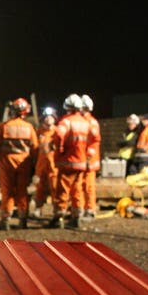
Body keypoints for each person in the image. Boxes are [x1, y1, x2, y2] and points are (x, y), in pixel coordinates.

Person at [49, 93, 100, 228]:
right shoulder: (86, 122)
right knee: (78, 189)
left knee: (63, 189)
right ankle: (76, 217)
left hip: (67, 161)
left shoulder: (66, 121)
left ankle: (59, 217)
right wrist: (88, 154)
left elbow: (59, 135)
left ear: (68, 107)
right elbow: (95, 139)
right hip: (81, 163)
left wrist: (60, 150)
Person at [0, 97, 38, 230]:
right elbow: (34, 148)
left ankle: (5, 219)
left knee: (7, 191)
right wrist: (34, 165)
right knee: (22, 191)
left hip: (6, 162)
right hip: (24, 163)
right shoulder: (29, 128)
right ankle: (23, 220)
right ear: (25, 112)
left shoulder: (3, 127)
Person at [31, 106, 58, 218]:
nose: (48, 119)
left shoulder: (57, 132)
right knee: (39, 188)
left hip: (54, 165)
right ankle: (38, 209)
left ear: (54, 118)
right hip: (41, 165)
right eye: (46, 116)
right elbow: (34, 147)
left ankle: (57, 209)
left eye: (50, 116)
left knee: (55, 188)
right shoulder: (39, 132)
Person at [81, 93, 101, 218]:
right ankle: (83, 208)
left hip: (89, 160)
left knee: (88, 186)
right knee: (82, 185)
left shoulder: (91, 122)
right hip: (83, 159)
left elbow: (94, 141)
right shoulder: (85, 121)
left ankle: (90, 209)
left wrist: (88, 157)